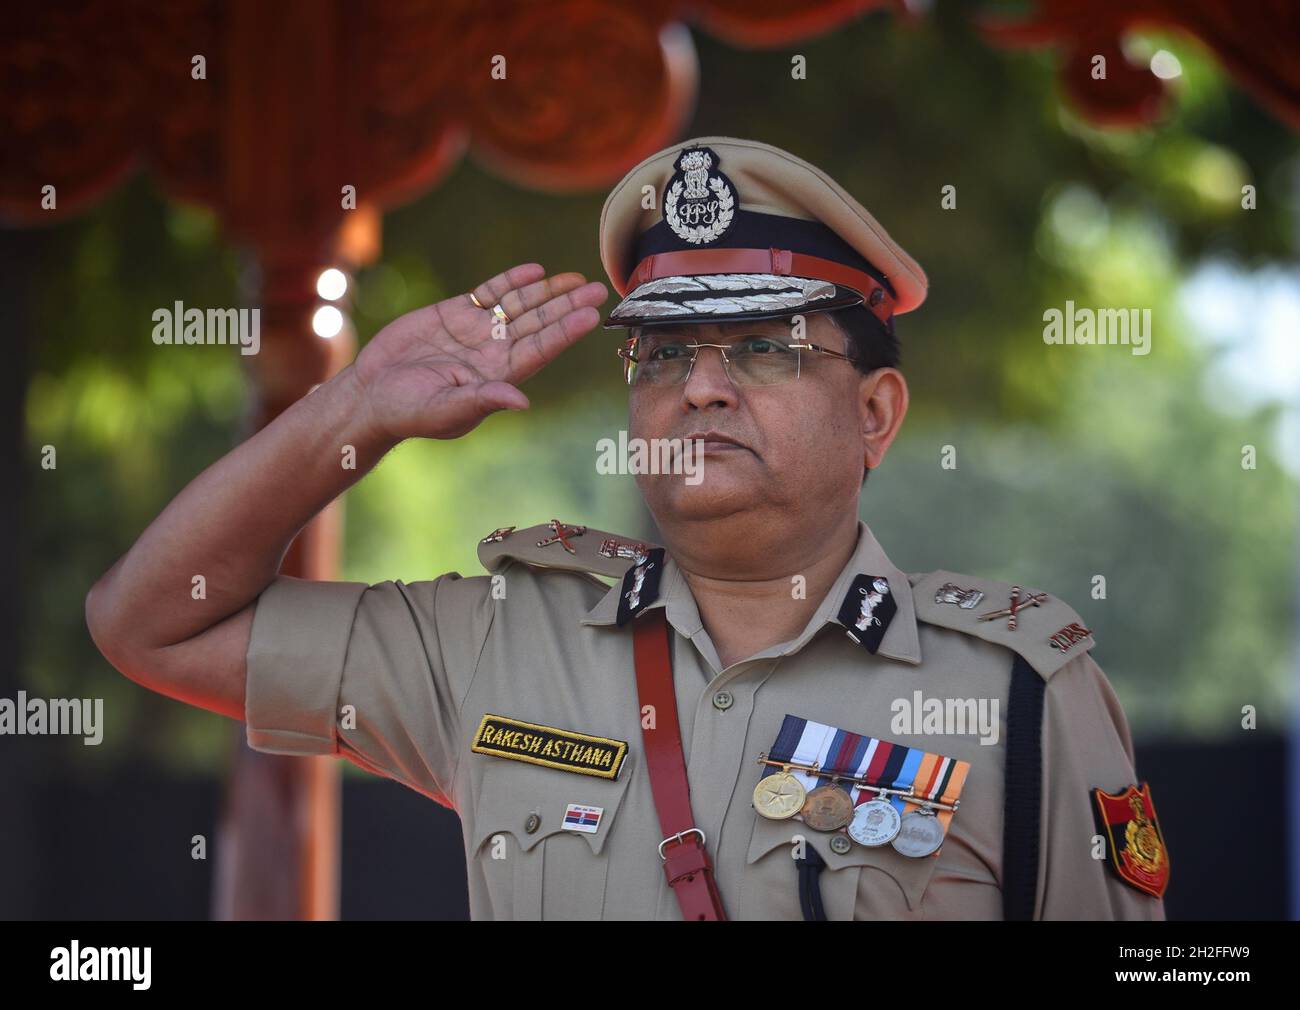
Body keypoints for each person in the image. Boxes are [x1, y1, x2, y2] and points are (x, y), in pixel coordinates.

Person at [85, 136, 1168, 920]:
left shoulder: (1014, 689)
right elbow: (150, 625)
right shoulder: (500, 638)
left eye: (764, 347)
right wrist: (352, 410)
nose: (700, 387)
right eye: (660, 355)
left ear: (875, 414)